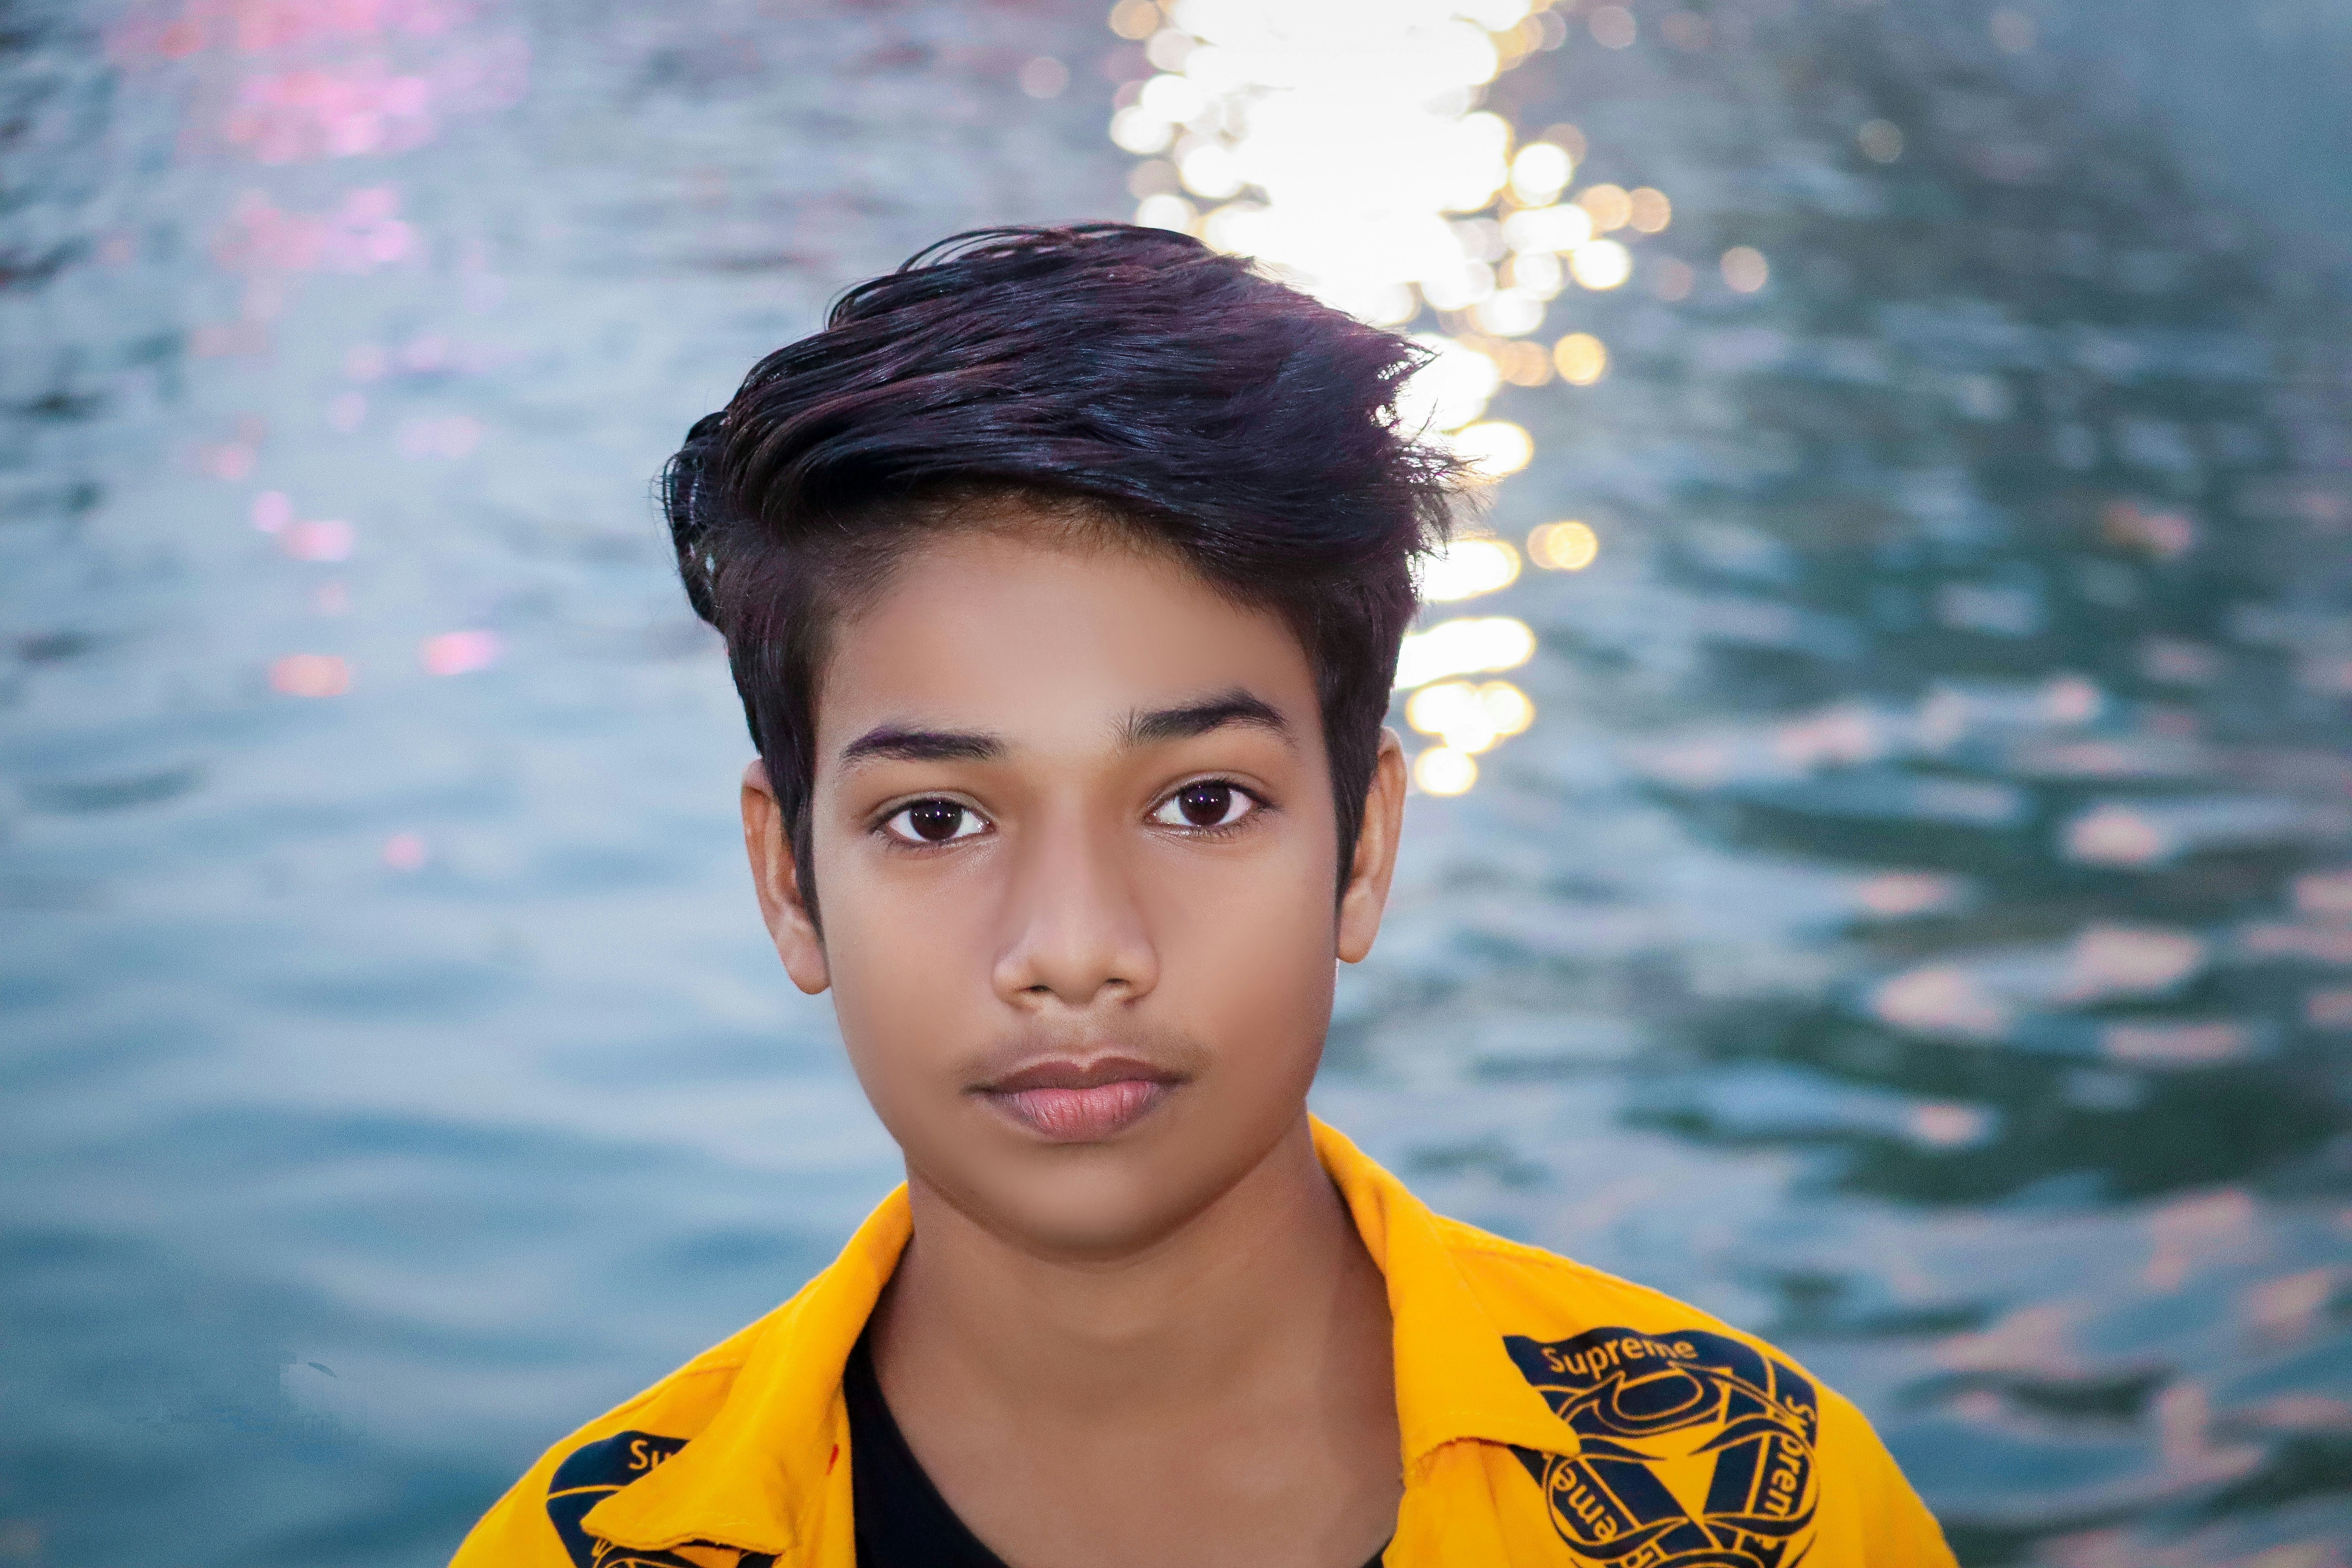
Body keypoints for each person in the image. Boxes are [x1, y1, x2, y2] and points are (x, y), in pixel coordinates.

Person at [448, 224, 1956, 1568]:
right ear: (790, 880)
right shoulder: (586, 1549)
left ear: (1362, 846)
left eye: (1202, 803)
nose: (1077, 952)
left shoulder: (1761, 1510)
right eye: (934, 817)